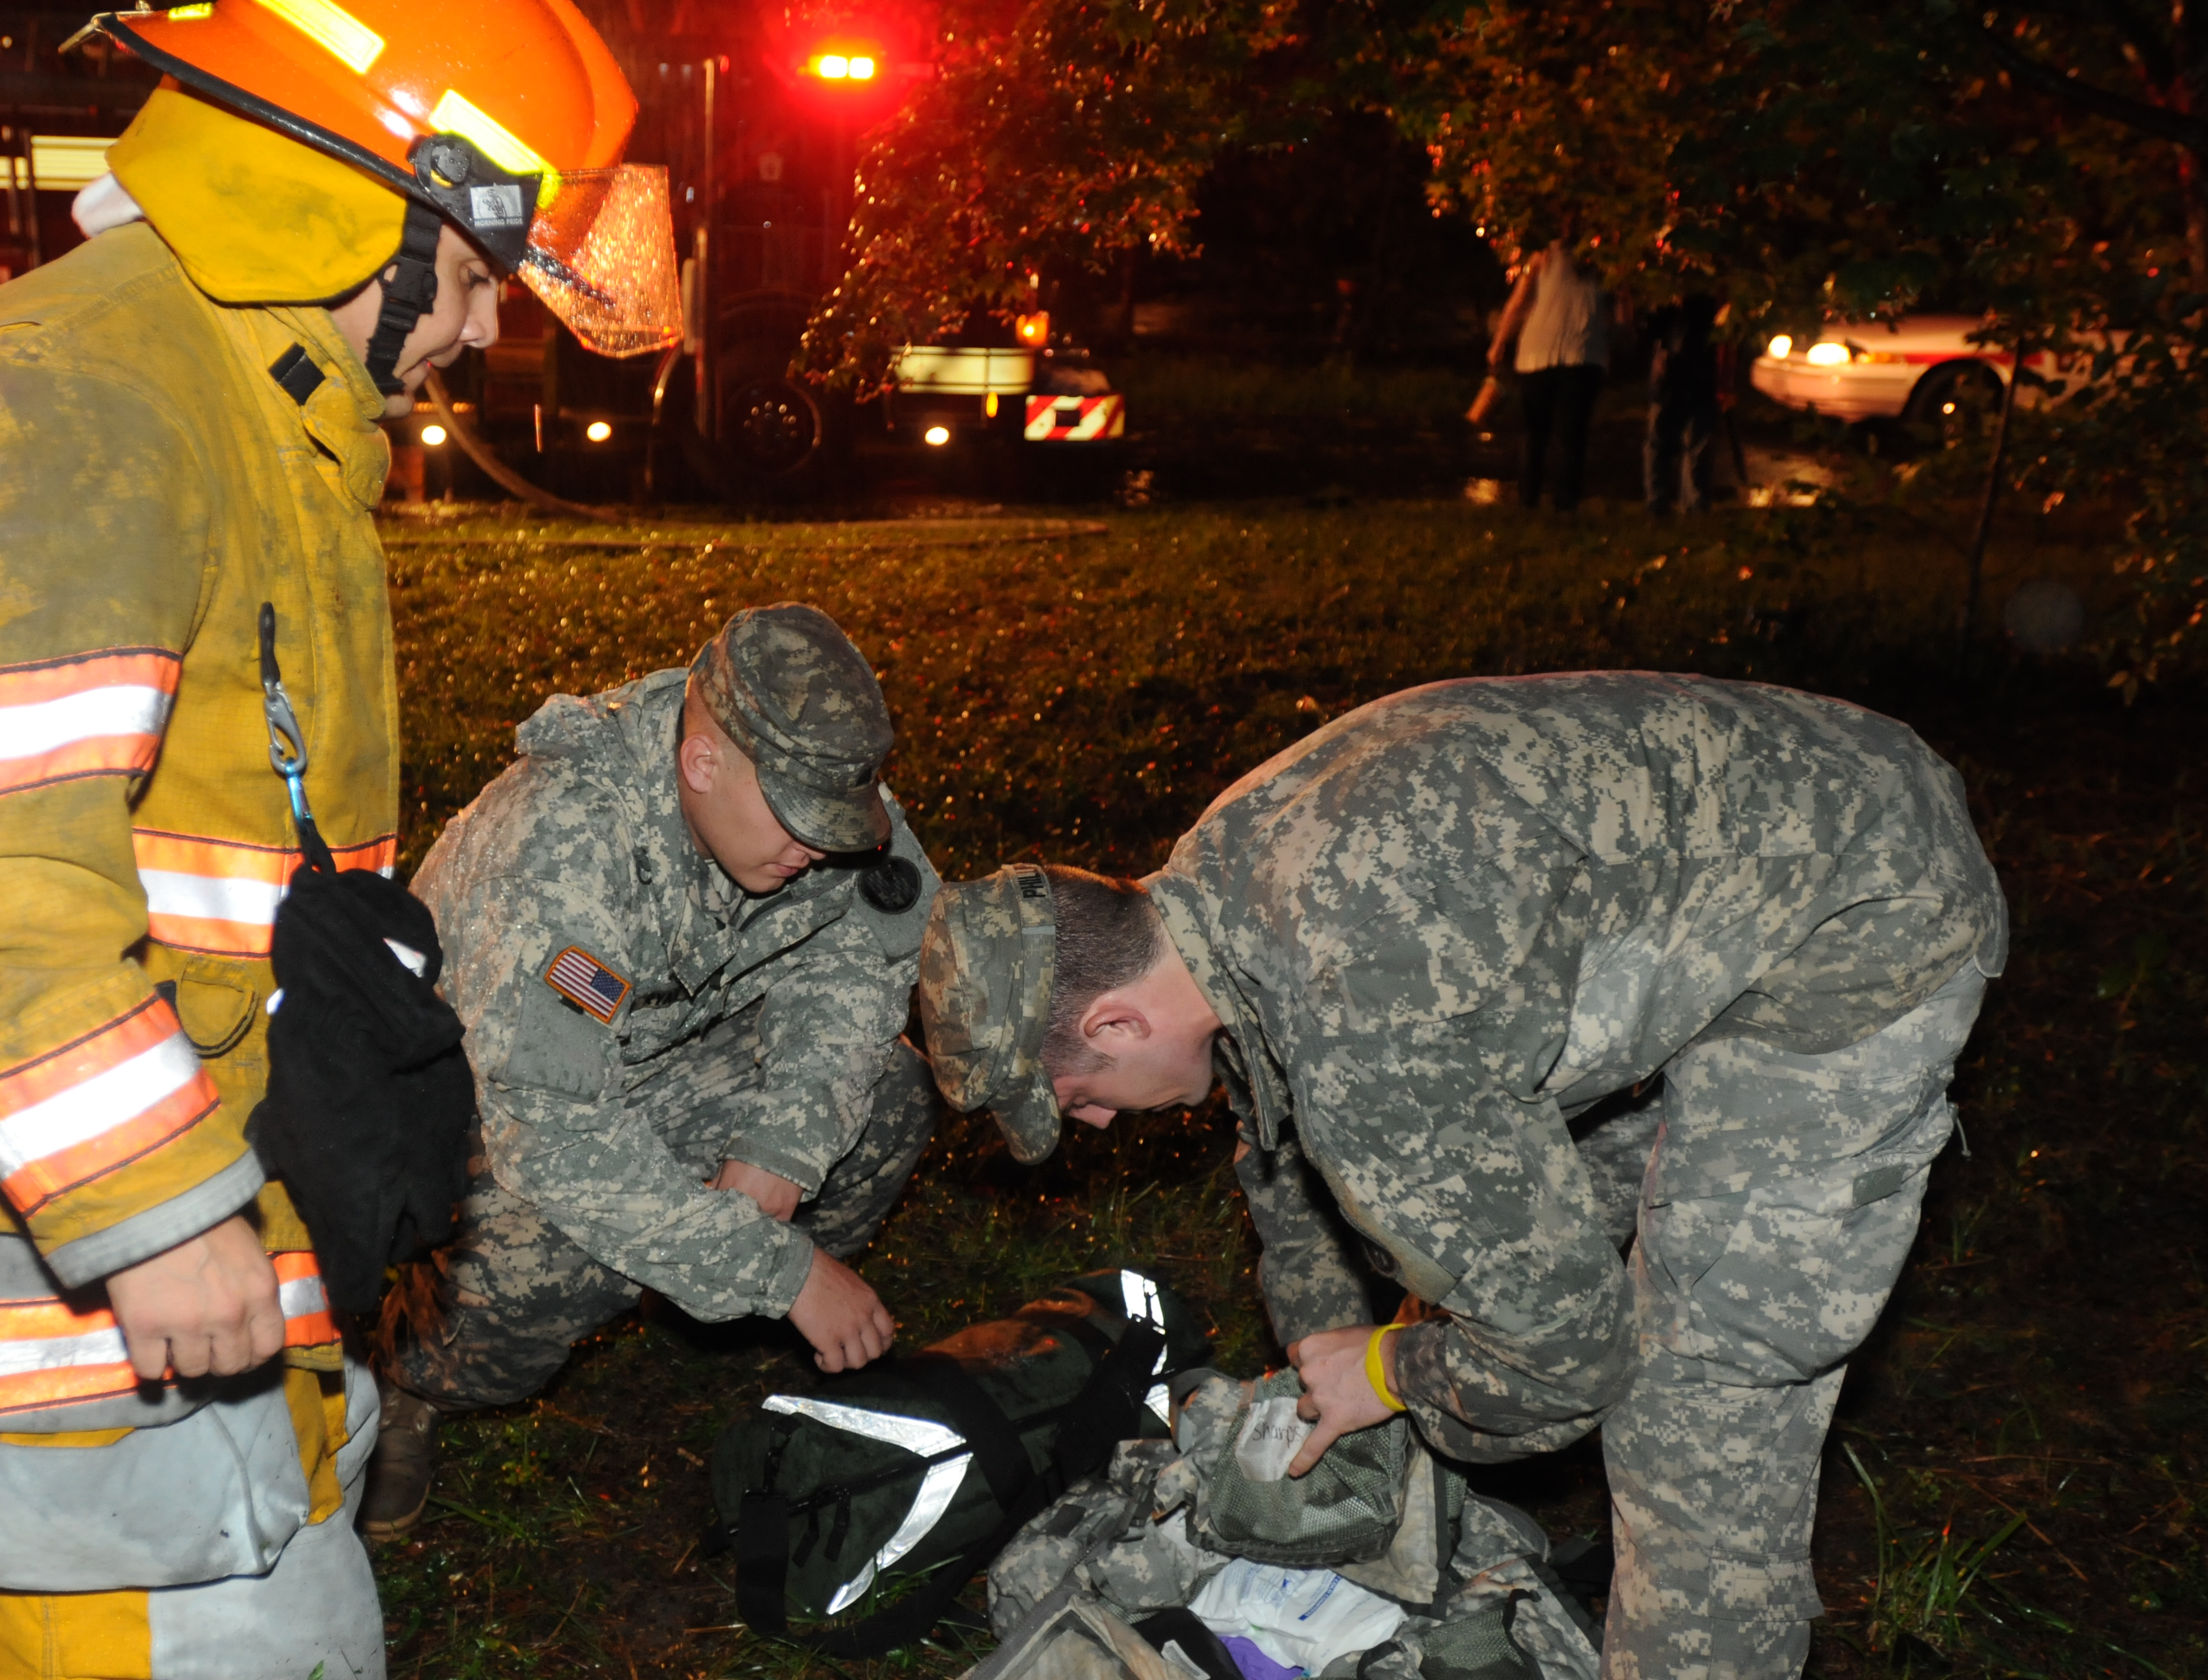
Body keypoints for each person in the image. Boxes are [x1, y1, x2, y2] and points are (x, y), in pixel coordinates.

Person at [0, 1, 660, 1672]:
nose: (483, 330)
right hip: (102, 1325)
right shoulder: (73, 397)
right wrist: (156, 1206)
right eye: (484, 271)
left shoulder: (242, 412)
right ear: (365, 205)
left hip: (229, 1278)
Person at [916, 673, 2004, 1680]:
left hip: (1857, 921)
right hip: (1744, 856)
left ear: (1115, 1018)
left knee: (1687, 1400)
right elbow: (1284, 1134)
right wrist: (1320, 1346)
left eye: (1074, 1093)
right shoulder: (1210, 899)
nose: (1096, 1116)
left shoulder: (1371, 1037)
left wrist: (1391, 1374)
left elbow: (1567, 1367)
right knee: (1470, 1241)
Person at [362, 603, 943, 1537]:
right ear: (701, 764)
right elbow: (548, 1129)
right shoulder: (561, 847)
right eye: (799, 823)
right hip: (484, 1104)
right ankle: (410, 1377)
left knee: (887, 1096)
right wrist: (777, 1265)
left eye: (838, 823)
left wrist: (783, 1149)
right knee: (539, 1257)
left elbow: (861, 964)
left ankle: (725, 1295)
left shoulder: (807, 801)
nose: (819, 849)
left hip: (646, 1066)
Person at [1488, 219, 1615, 511]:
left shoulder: (1541, 256)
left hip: (1538, 353)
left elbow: (1519, 302)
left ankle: (1528, 498)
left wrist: (1499, 342)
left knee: (1536, 433)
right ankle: (1565, 502)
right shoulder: (1607, 260)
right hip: (1584, 353)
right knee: (1572, 436)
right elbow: (1616, 310)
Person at [1644, 293, 1725, 514]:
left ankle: (1693, 504)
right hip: (1671, 372)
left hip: (1696, 372)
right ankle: (1659, 503)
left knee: (1696, 443)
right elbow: (1653, 328)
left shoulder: (1708, 294)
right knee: (1662, 441)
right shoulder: (1667, 293)